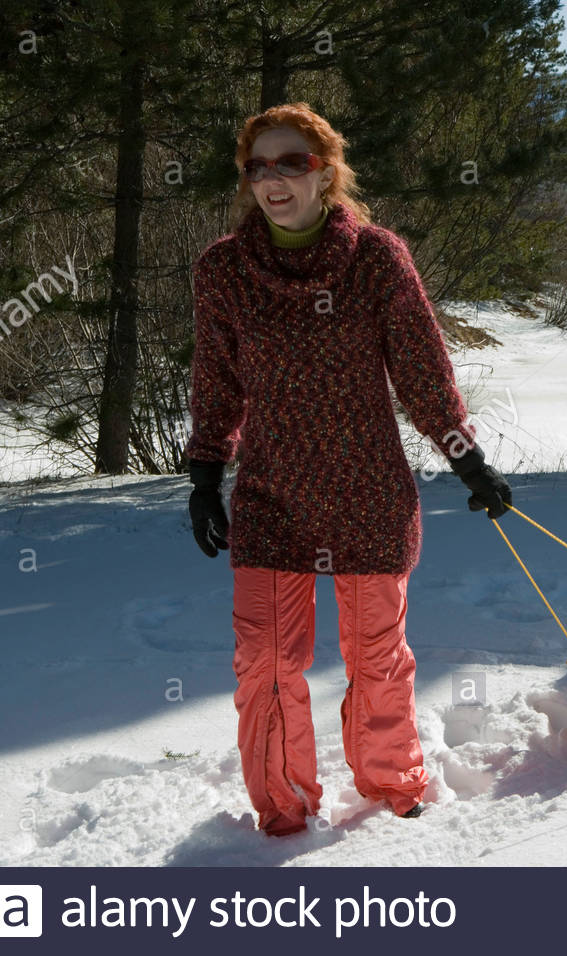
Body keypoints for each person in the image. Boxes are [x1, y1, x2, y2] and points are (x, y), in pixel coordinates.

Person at [184, 102, 510, 837]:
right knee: (264, 659)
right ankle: (284, 807)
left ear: (325, 172)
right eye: (256, 165)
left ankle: (395, 786)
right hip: (271, 494)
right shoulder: (223, 271)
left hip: (368, 489)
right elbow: (216, 382)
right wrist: (206, 474)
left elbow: (422, 370)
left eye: (290, 162)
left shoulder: (376, 258)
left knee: (375, 657)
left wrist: (468, 460)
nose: (273, 178)